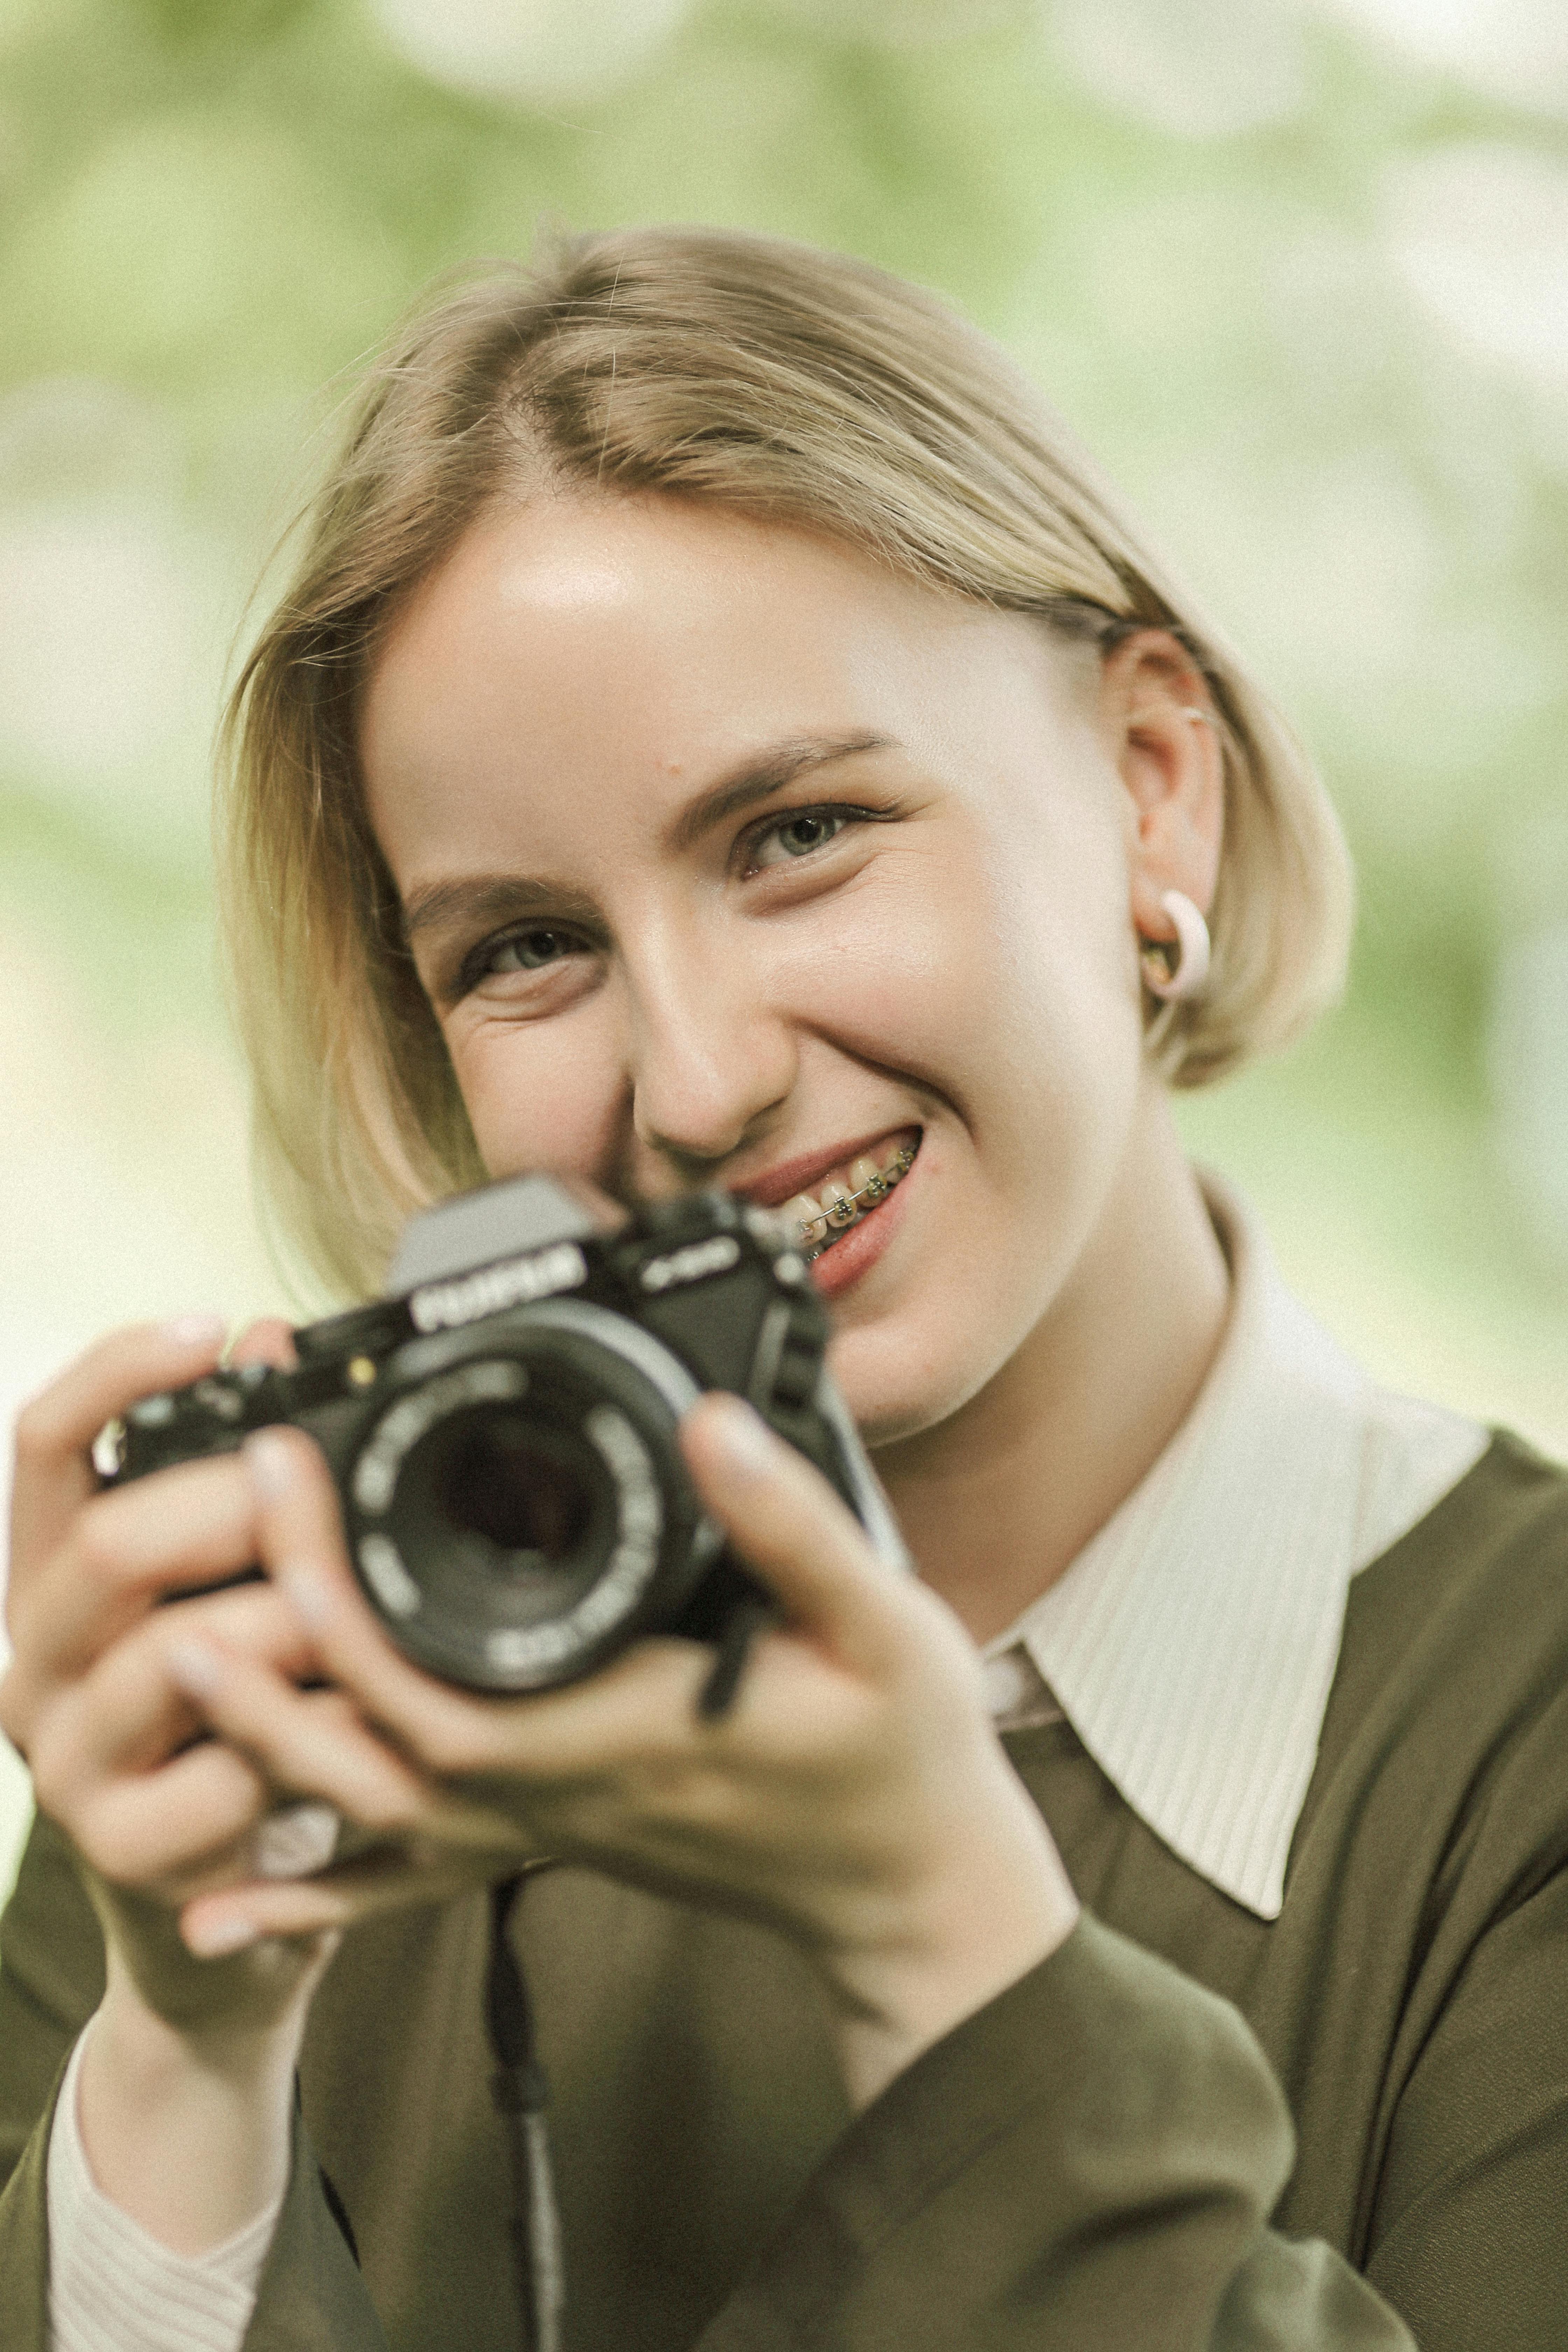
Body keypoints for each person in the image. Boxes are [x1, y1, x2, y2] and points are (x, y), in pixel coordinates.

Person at [1, 225, 1565, 2352]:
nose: (705, 1079)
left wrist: (938, 1921)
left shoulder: (1520, 1737)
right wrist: (181, 2068)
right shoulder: (304, 1692)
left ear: (1149, 791)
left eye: (800, 833)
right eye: (523, 948)